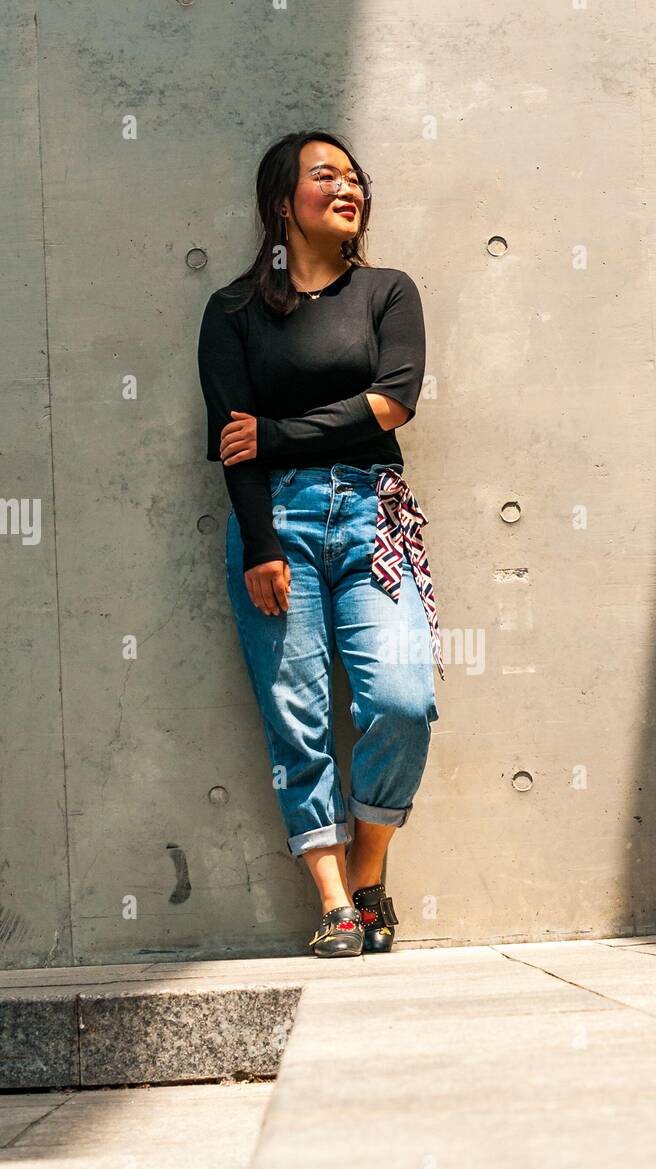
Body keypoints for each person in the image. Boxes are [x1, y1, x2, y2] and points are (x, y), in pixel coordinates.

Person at [196, 130, 443, 959]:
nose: (348, 190)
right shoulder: (232, 312)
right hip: (276, 529)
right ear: (281, 201)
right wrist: (260, 544)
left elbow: (393, 405)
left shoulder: (387, 292)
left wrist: (273, 432)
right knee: (296, 718)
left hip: (375, 516)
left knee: (402, 699)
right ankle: (337, 903)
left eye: (355, 178)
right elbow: (231, 449)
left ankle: (371, 873)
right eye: (325, 176)